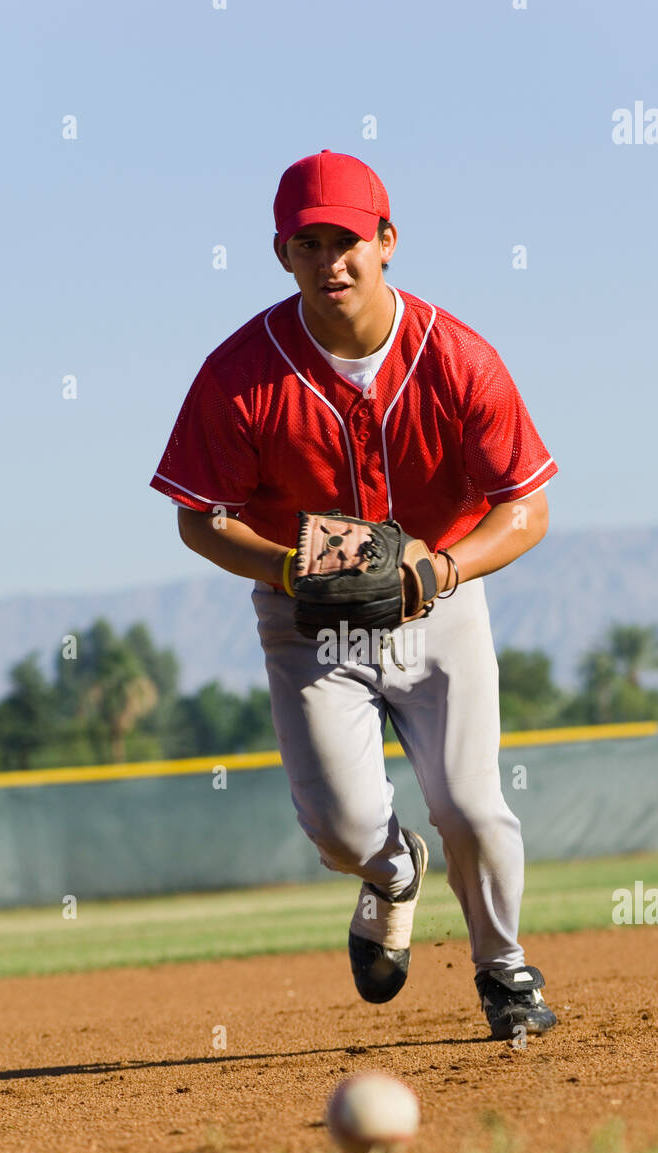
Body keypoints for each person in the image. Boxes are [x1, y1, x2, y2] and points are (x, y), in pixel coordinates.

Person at [150, 149, 559, 1039]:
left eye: (347, 240)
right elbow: (198, 518)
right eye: (308, 243)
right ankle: (389, 871)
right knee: (338, 828)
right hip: (305, 620)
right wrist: (293, 571)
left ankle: (503, 971)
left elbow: (524, 510)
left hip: (437, 602)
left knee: (469, 804)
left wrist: (442, 570)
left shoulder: (457, 360)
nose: (330, 260)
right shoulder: (239, 376)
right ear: (280, 253)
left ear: (387, 242)